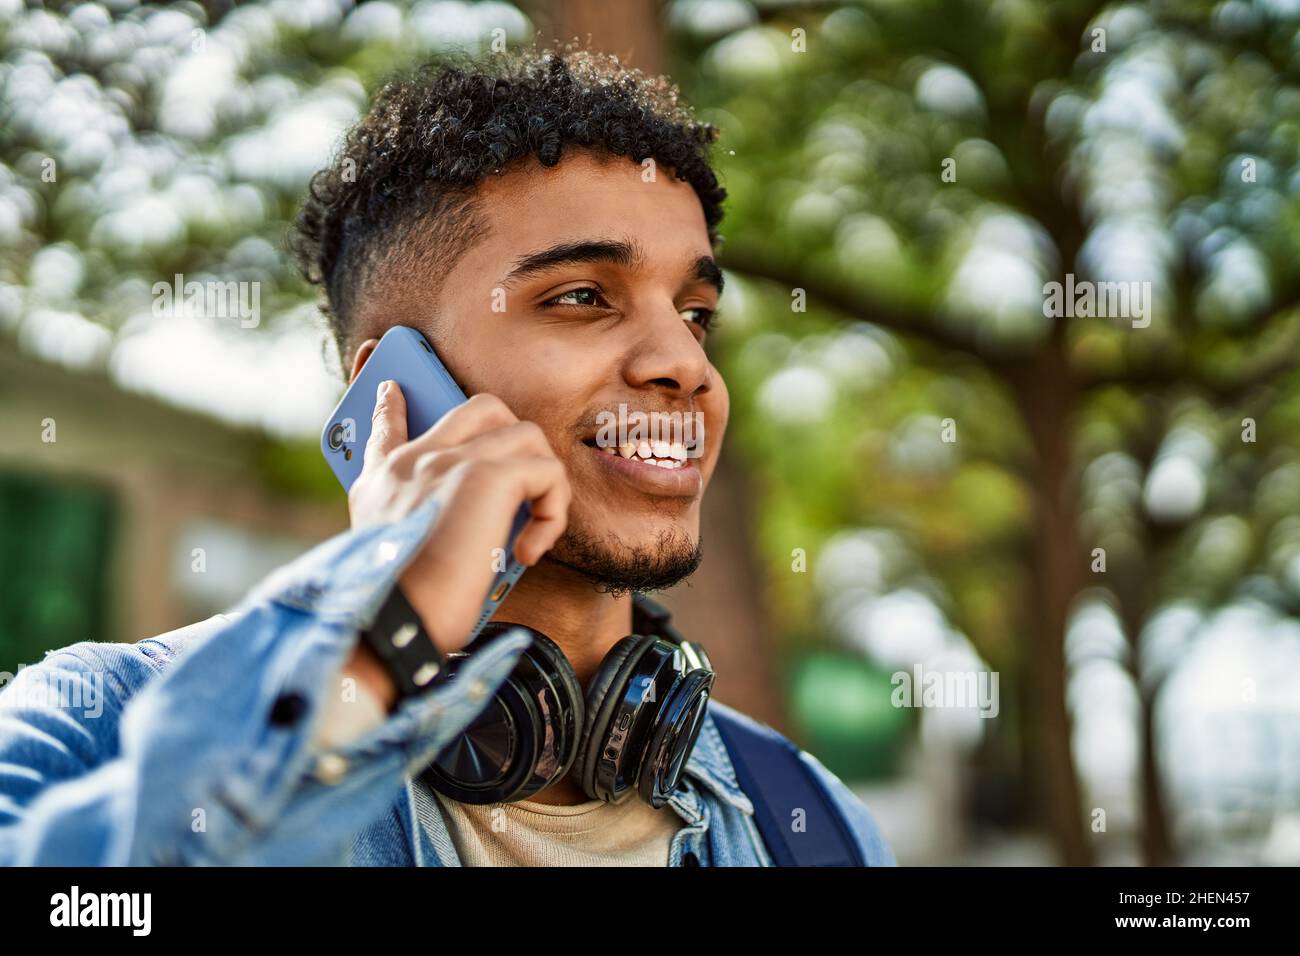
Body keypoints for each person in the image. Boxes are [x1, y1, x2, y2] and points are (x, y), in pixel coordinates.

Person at [0, 47, 894, 867]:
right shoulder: (91, 729)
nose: (687, 365)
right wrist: (375, 641)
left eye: (696, 312)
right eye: (584, 296)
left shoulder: (807, 820)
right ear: (393, 389)